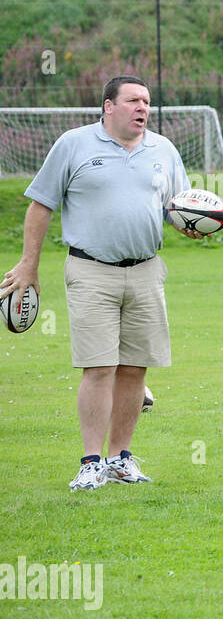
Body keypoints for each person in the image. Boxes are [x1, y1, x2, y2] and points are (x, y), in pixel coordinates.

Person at [1, 75, 201, 491]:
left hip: (147, 271)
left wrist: (191, 224)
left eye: (146, 101)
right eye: (132, 101)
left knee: (133, 369)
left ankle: (119, 459)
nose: (142, 108)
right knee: (99, 367)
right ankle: (91, 462)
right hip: (91, 270)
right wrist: (28, 266)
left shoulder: (163, 150)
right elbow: (40, 207)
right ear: (109, 107)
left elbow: (175, 207)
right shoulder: (73, 144)